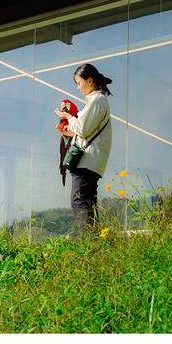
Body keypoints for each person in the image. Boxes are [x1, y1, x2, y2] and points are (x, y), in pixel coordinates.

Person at [57, 62, 113, 233]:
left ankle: (89, 241)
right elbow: (84, 131)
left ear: (89, 81)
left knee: (79, 201)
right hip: (91, 160)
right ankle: (93, 242)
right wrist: (68, 131)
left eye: (79, 83)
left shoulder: (97, 100)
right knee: (88, 202)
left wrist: (68, 116)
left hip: (87, 161)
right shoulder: (96, 101)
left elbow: (82, 128)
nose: (78, 87)